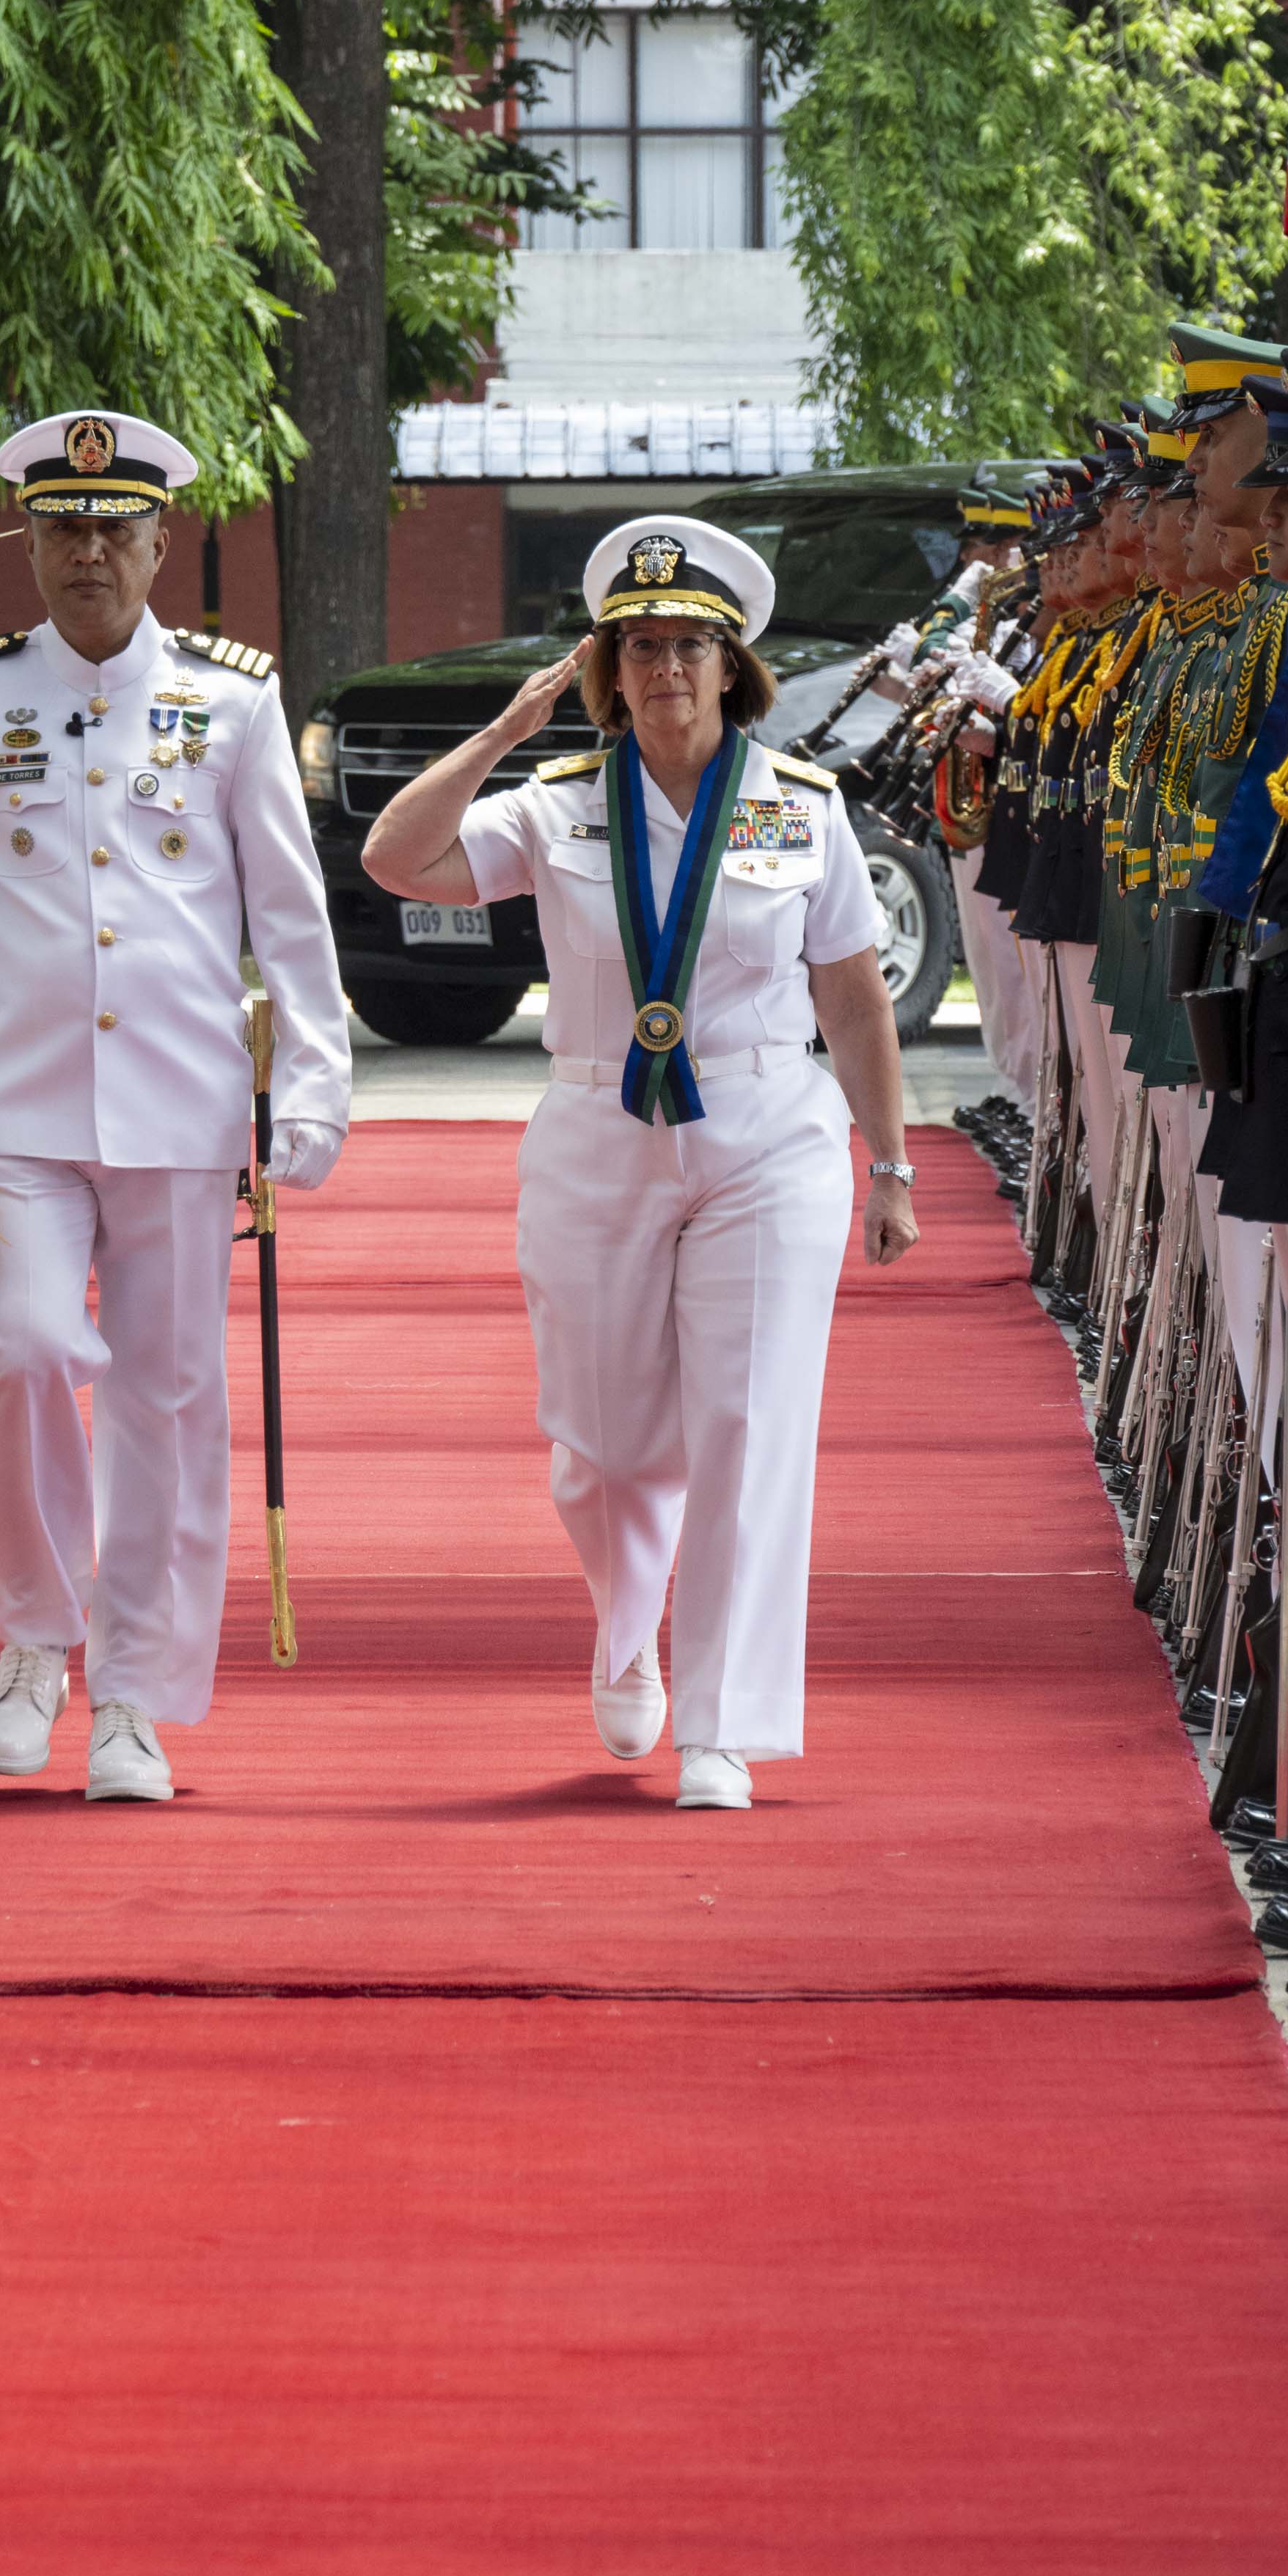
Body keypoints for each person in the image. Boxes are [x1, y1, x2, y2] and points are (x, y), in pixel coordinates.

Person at [362, 516, 915, 1807]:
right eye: (643, 647)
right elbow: (398, 860)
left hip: (770, 1131)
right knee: (602, 1442)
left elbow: (854, 992)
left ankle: (722, 1725)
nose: (668, 669)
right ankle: (627, 1620)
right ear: (610, 670)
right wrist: (503, 734)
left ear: (734, 667)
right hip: (599, 1131)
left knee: (747, 1423)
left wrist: (888, 1163)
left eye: (691, 647)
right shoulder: (555, 809)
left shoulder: (803, 811)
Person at [0, 408, 350, 1806]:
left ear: (158, 542)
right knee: (18, 1352)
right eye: (64, 528)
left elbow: (290, 915)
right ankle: (34, 1639)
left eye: (114, 528)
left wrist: (313, 1077)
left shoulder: (235, 700)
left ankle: (132, 1692)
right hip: (17, 1099)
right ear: (31, 543)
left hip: (187, 1103)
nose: (89, 552)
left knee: (168, 1395)